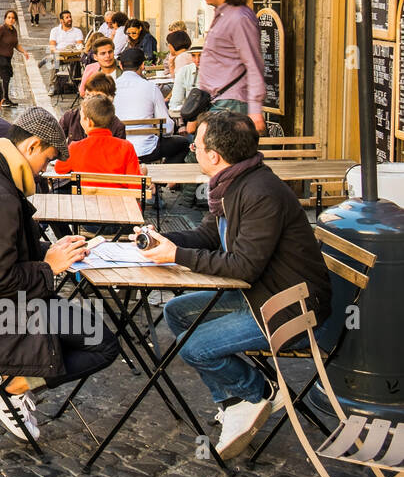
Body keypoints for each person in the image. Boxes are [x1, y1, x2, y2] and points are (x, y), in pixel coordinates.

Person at [139, 111, 330, 459]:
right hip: (259, 297)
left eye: (197, 143)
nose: (192, 146)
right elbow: (206, 236)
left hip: (289, 310)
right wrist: (160, 241)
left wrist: (177, 255)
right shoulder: (233, 183)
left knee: (193, 347)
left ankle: (256, 392)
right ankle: (232, 401)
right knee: (177, 311)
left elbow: (244, 266)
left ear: (214, 155)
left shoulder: (260, 193)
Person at [0, 107, 120, 441]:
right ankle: (11, 388)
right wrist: (49, 266)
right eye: (48, 159)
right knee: (105, 345)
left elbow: (2, 253)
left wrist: (52, 252)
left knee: (93, 335)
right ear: (32, 147)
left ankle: (14, 384)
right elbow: (0, 277)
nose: (46, 169)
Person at [194, 0, 266, 133]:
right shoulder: (223, 14)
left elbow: (254, 64)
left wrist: (255, 111)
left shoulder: (239, 18)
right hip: (217, 102)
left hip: (231, 104)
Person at [114, 48, 190, 162]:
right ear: (143, 65)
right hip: (147, 149)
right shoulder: (151, 88)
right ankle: (167, 178)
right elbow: (167, 128)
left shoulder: (111, 88)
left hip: (119, 149)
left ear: (120, 65)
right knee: (183, 144)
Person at [53, 94, 142, 185]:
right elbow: (135, 183)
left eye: (81, 117)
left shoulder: (75, 148)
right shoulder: (126, 147)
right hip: (119, 198)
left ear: (89, 122)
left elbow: (59, 168)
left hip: (87, 198)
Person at [58, 72, 127, 142]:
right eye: (88, 95)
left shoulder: (117, 126)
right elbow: (56, 144)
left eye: (98, 97)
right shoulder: (71, 117)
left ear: (111, 98)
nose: (91, 101)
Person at [0, 9, 29, 107]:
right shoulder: (1, 29)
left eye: (13, 18)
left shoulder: (14, 31)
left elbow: (16, 45)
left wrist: (24, 52)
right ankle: (3, 100)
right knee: (5, 77)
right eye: (9, 18)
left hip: (7, 59)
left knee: (6, 78)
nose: (11, 20)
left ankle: (3, 99)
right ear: (5, 19)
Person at [170, 41, 203, 114]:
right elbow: (175, 102)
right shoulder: (184, 71)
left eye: (200, 55)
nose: (197, 60)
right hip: (190, 115)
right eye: (193, 55)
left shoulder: (216, 72)